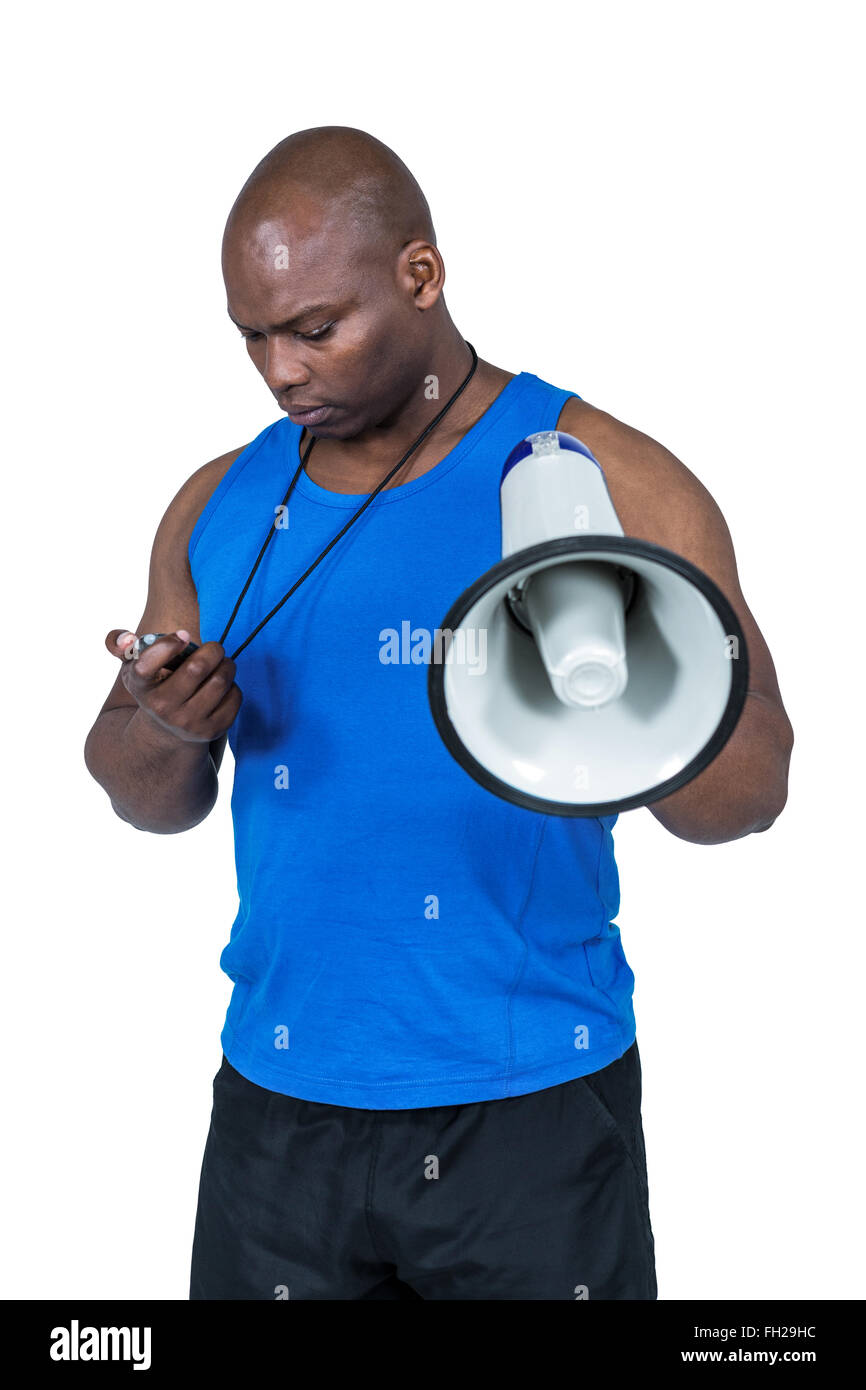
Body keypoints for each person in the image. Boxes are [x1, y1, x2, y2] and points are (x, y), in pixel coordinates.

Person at [84, 125, 794, 1301]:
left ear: (421, 275)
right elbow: (141, 797)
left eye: (315, 328)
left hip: (529, 1111)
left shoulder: (614, 475)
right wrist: (163, 725)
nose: (279, 370)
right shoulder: (217, 501)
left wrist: (621, 683)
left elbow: (749, 797)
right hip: (279, 1104)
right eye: (251, 336)